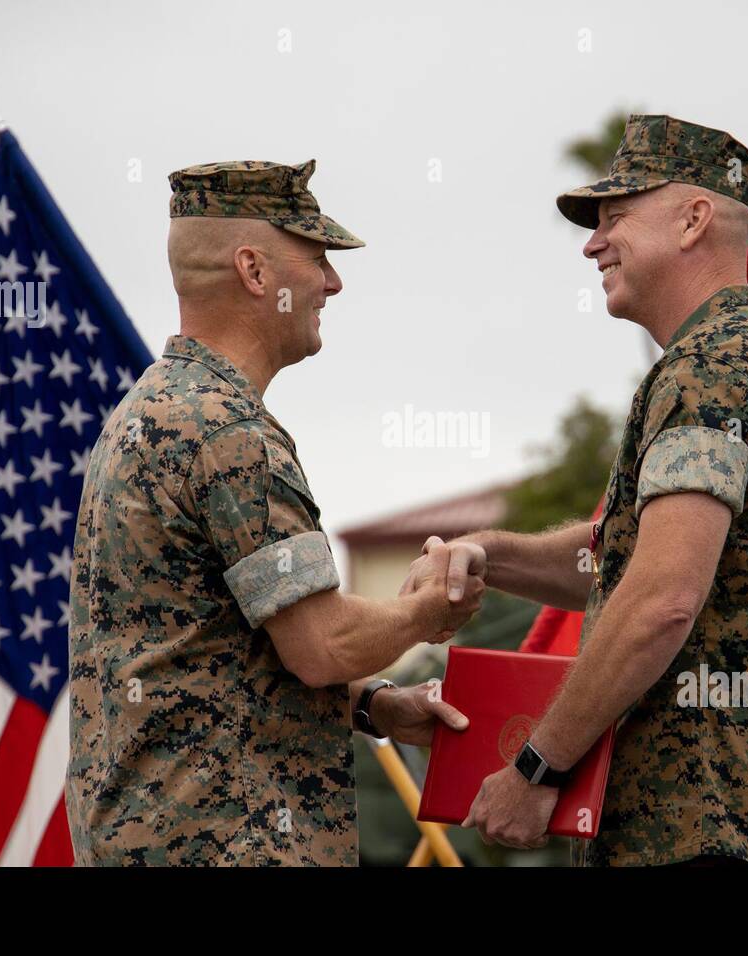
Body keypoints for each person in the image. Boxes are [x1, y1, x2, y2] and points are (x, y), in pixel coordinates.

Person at [406, 116, 748, 866]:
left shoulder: (714, 367)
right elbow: (621, 566)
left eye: (615, 219)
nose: (591, 243)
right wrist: (489, 553)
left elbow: (661, 598)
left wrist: (537, 765)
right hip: (711, 825)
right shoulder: (726, 357)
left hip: (703, 830)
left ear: (693, 220)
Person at [66, 159, 483, 866]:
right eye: (317, 258)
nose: (333, 282)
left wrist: (375, 705)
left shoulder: (149, 412)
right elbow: (320, 645)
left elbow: (222, 647)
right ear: (255, 271)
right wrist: (427, 611)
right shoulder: (227, 431)